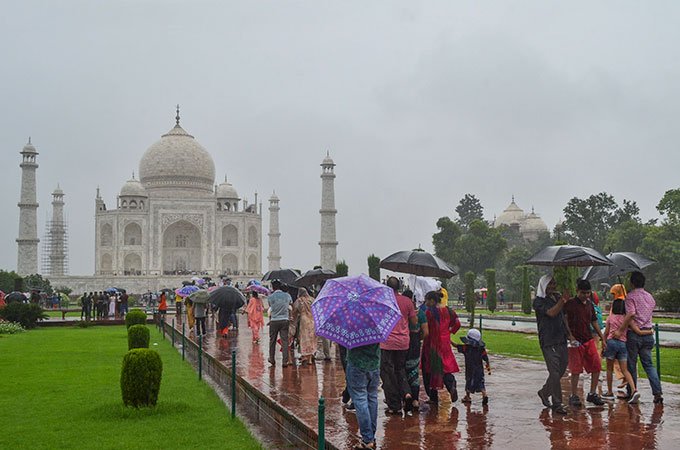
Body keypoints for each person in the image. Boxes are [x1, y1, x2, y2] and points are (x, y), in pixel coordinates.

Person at [614, 271, 663, 404]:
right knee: (649, 365)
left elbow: (630, 314)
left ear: (632, 282)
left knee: (631, 364)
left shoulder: (630, 297)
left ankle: (632, 391)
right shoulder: (650, 297)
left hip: (635, 334)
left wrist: (620, 329)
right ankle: (657, 392)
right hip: (647, 333)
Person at [563, 279, 606, 407]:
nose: (586, 295)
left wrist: (602, 337)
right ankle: (573, 394)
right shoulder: (570, 304)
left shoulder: (590, 305)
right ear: (577, 291)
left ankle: (592, 393)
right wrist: (570, 335)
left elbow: (593, 322)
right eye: (583, 293)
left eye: (588, 293)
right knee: (576, 369)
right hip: (575, 341)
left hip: (588, 339)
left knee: (596, 366)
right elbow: (564, 320)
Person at [601, 297, 650, 404]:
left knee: (609, 369)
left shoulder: (610, 318)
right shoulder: (626, 319)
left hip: (611, 342)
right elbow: (636, 330)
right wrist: (649, 332)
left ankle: (609, 392)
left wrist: (603, 343)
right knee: (625, 370)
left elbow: (606, 332)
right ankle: (634, 390)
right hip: (623, 344)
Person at [380, 277, 417, 415]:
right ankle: (407, 393)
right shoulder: (407, 302)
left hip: (387, 342)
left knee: (388, 374)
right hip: (403, 342)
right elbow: (414, 322)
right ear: (400, 287)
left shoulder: (383, 301)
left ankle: (394, 405)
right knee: (400, 370)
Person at [533, 275, 569, 414]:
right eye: (550, 284)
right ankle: (557, 403)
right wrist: (563, 300)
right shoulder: (538, 302)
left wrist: (569, 333)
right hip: (548, 340)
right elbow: (552, 313)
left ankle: (544, 392)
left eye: (554, 283)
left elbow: (562, 316)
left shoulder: (557, 297)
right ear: (544, 286)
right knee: (554, 372)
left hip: (561, 338)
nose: (553, 286)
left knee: (561, 369)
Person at [420, 290, 460, 405]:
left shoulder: (429, 312)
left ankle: (433, 397)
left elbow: (425, 328)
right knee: (445, 367)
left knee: (430, 369)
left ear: (432, 300)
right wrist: (449, 332)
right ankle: (451, 384)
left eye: (427, 300)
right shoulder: (449, 310)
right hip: (445, 342)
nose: (425, 303)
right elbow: (457, 324)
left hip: (432, 343)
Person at [346, 341, 380, 450]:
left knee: (360, 400)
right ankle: (371, 436)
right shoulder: (376, 325)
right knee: (372, 398)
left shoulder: (351, 327)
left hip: (357, 365)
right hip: (374, 365)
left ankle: (367, 439)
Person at [455, 328, 490, 405]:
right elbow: (486, 358)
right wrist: (488, 366)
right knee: (481, 382)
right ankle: (484, 394)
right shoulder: (481, 349)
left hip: (470, 369)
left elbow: (457, 346)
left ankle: (467, 397)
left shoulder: (466, 348)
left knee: (468, 381)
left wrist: (449, 341)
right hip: (479, 369)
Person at [403, 289, 424, 412]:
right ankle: (415, 400)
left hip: (404, 343)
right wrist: (418, 338)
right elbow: (426, 332)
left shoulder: (402, 311)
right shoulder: (420, 313)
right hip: (415, 344)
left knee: (402, 371)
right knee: (414, 373)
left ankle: (406, 395)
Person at [267, 280, 292, 367]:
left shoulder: (270, 297)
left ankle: (272, 359)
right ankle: (285, 361)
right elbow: (290, 304)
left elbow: (270, 306)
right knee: (284, 341)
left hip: (274, 320)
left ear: (273, 287)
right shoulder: (287, 295)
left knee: (272, 341)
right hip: (285, 320)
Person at [289, 288, 316, 365]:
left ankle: (304, 355)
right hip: (312, 320)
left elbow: (294, 311)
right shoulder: (312, 299)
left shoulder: (299, 300)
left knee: (304, 339)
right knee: (311, 339)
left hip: (304, 321)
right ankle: (310, 358)